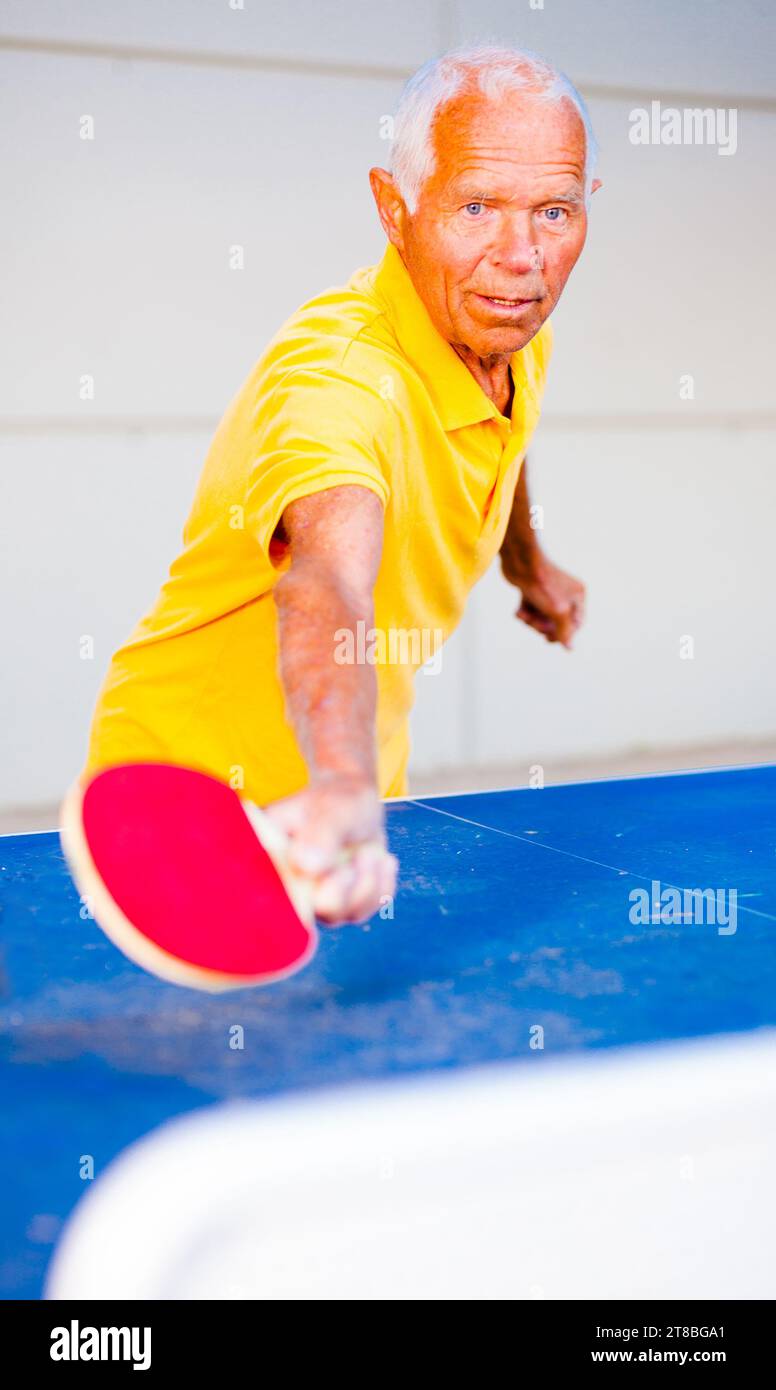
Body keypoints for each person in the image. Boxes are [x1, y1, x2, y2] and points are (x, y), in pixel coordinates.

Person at [84, 43, 601, 925]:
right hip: (195, 805)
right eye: (476, 206)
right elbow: (326, 578)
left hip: (349, 807)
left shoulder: (507, 325)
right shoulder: (340, 381)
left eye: (553, 211)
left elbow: (503, 434)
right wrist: (344, 781)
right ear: (394, 209)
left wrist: (529, 563)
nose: (523, 256)